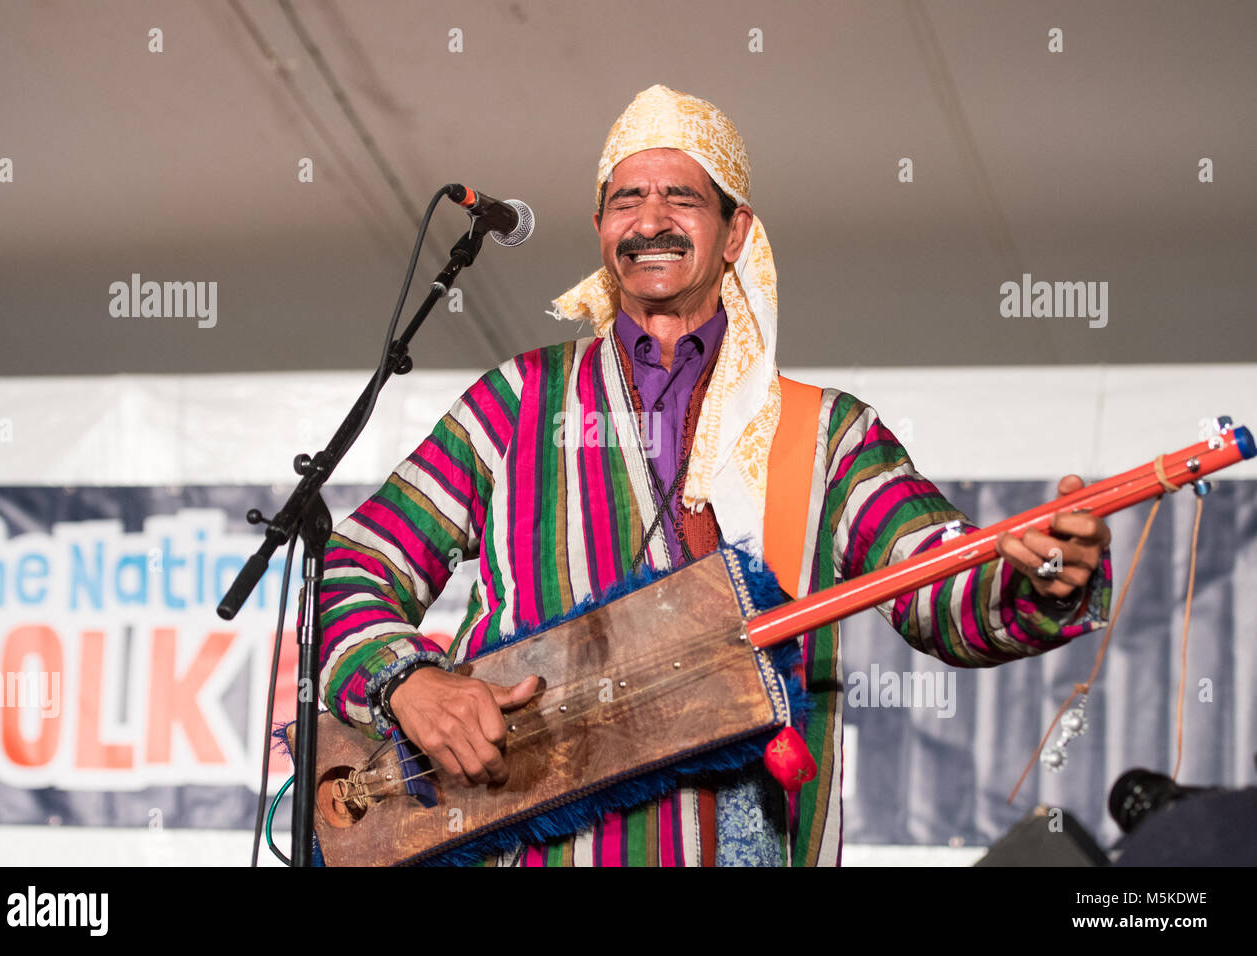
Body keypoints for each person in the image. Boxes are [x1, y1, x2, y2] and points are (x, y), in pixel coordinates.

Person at [316, 85, 1113, 866]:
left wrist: (1045, 572)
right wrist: (408, 683)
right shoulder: (516, 402)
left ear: (736, 232)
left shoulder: (828, 433)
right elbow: (353, 567)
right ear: (599, 228)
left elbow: (939, 585)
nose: (651, 221)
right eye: (627, 199)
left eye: (683, 199)